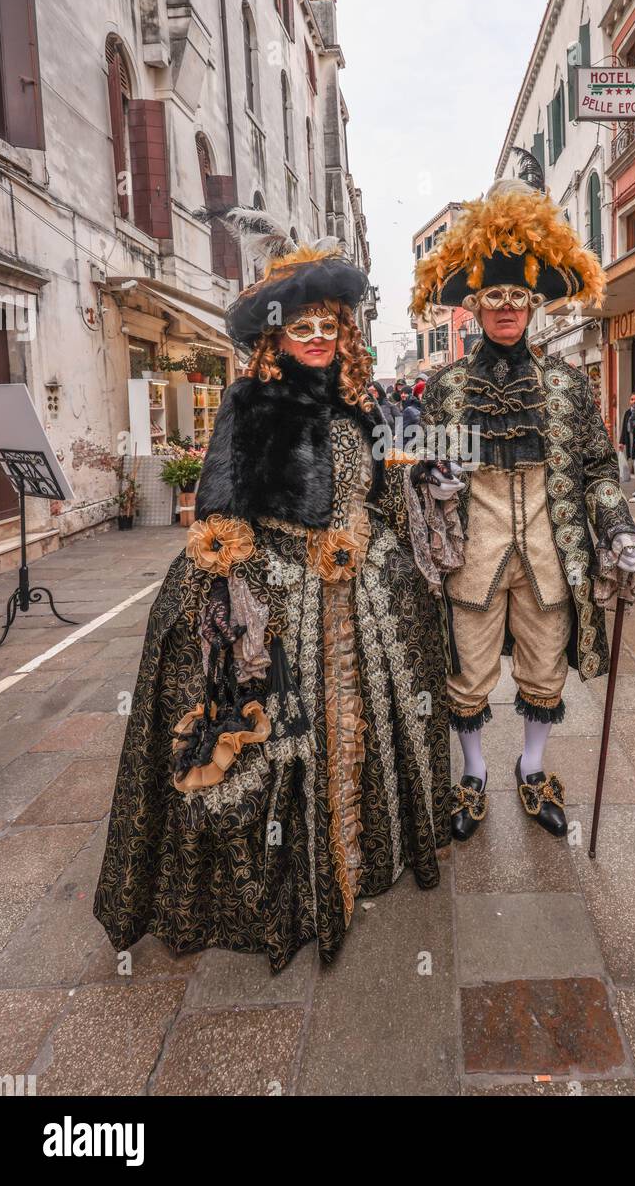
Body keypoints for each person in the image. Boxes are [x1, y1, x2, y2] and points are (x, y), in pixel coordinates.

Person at [95, 214, 459, 973]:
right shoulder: (248, 400)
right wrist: (228, 583)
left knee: (379, 709)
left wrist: (414, 487)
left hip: (365, 582)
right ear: (275, 336)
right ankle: (290, 885)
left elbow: (373, 484)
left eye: (329, 324)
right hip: (278, 583)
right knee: (268, 734)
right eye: (303, 327)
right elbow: (221, 504)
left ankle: (367, 851)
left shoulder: (360, 401)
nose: (318, 337)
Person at [411, 149, 635, 841]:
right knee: (467, 674)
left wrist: (621, 530)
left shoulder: (569, 385)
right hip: (473, 557)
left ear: (533, 306)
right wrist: (434, 483)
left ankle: (532, 766)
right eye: (495, 299)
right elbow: (420, 474)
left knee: (545, 671)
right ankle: (474, 772)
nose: (507, 310)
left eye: (518, 300)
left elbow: (599, 469)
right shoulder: (446, 387)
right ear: (475, 306)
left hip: (551, 554)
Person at [620, 391, 635, 471]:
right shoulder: (627, 413)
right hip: (630, 438)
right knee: (632, 461)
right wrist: (621, 442)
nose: (634, 401)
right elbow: (624, 428)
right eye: (632, 399)